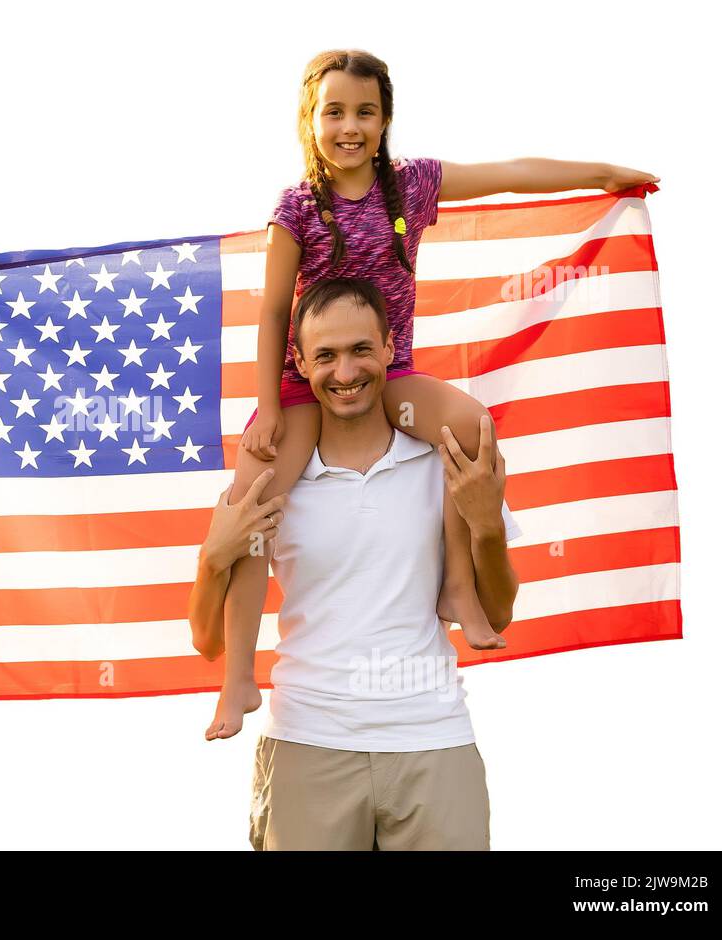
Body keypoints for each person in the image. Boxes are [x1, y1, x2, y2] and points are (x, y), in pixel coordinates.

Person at [207, 47, 660, 739]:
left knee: (470, 427)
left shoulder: (410, 186)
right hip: (308, 386)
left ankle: (456, 584)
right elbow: (272, 312)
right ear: (311, 120)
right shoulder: (296, 209)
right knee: (252, 510)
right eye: (334, 112)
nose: (350, 126)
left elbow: (510, 175)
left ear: (385, 119)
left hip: (389, 379)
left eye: (366, 111)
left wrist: (602, 173)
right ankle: (239, 677)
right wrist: (269, 404)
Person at [190, 277, 520, 850]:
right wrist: (211, 556)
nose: (345, 372)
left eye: (360, 350)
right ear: (299, 362)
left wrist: (487, 524)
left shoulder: (440, 456)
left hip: (432, 740)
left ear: (390, 349)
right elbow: (206, 639)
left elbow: (500, 611)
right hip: (307, 740)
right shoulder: (276, 481)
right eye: (326, 356)